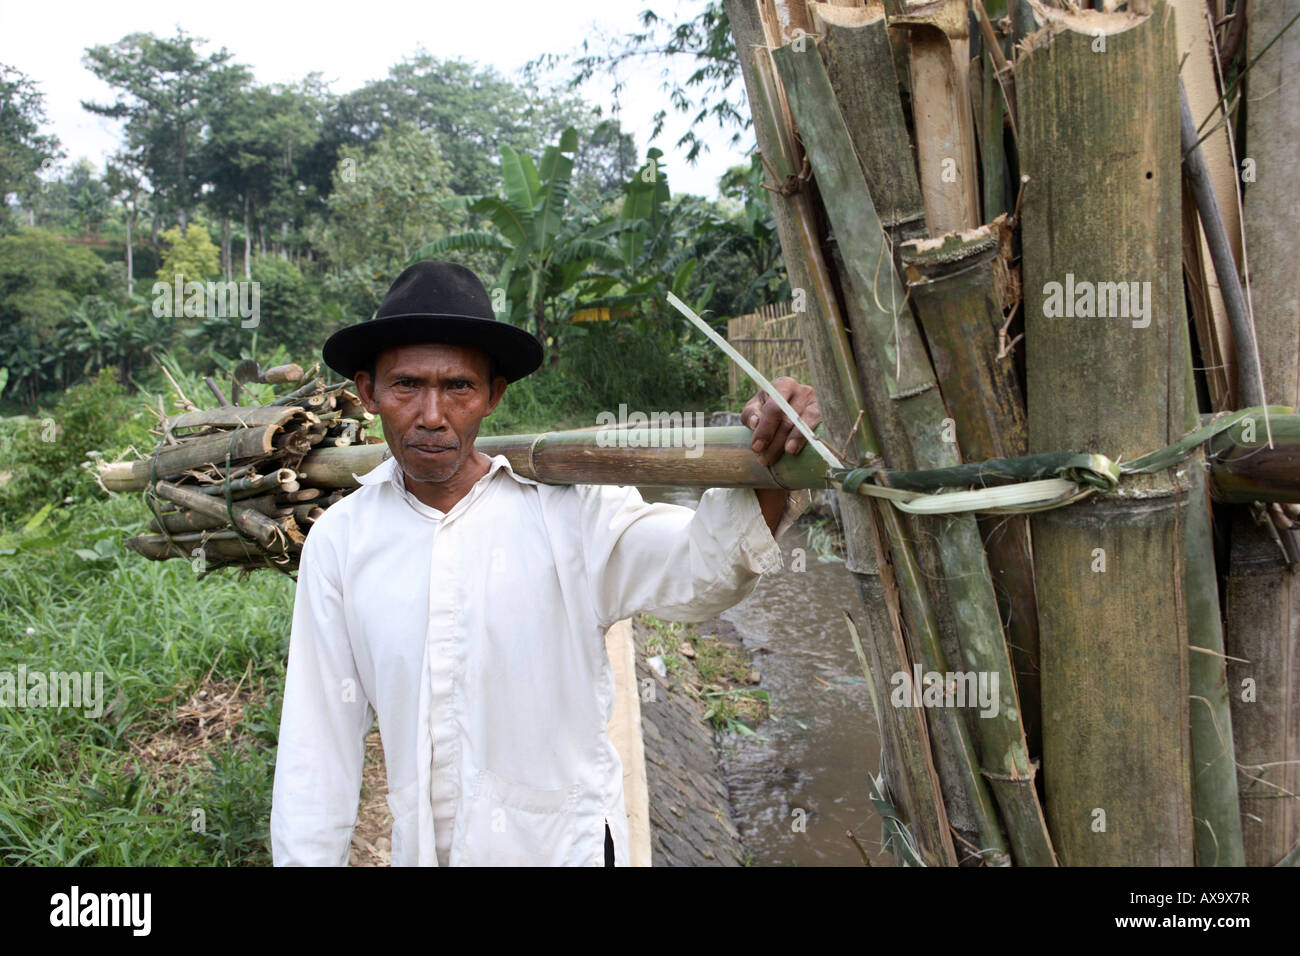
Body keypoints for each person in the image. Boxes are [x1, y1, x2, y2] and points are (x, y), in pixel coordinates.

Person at [270, 260, 820, 866]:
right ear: (369, 393)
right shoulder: (343, 541)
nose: (432, 414)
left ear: (493, 396)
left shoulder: (573, 514)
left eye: (458, 386)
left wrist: (769, 459)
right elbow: (317, 744)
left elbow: (700, 567)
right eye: (407, 386)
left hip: (563, 848)